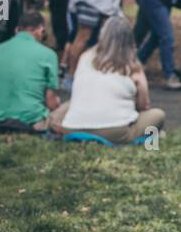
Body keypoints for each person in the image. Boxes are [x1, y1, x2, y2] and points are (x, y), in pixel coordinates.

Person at [49, 15, 166, 143]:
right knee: (157, 115)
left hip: (72, 128)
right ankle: (151, 144)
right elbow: (144, 105)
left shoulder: (85, 57)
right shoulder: (133, 67)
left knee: (69, 105)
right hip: (113, 131)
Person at [0, 9, 59, 132]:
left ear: (16, 30)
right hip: (32, 122)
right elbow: (50, 102)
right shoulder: (48, 55)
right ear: (41, 30)